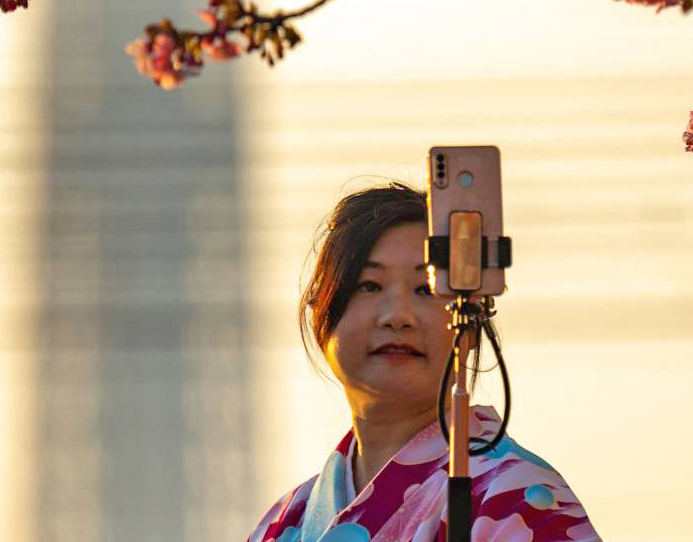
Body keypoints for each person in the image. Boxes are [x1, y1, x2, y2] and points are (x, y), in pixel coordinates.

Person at [247, 183, 599, 542]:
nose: (398, 316)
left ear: (470, 321)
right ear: (319, 311)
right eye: (369, 285)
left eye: (425, 289)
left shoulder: (513, 496)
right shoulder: (284, 522)